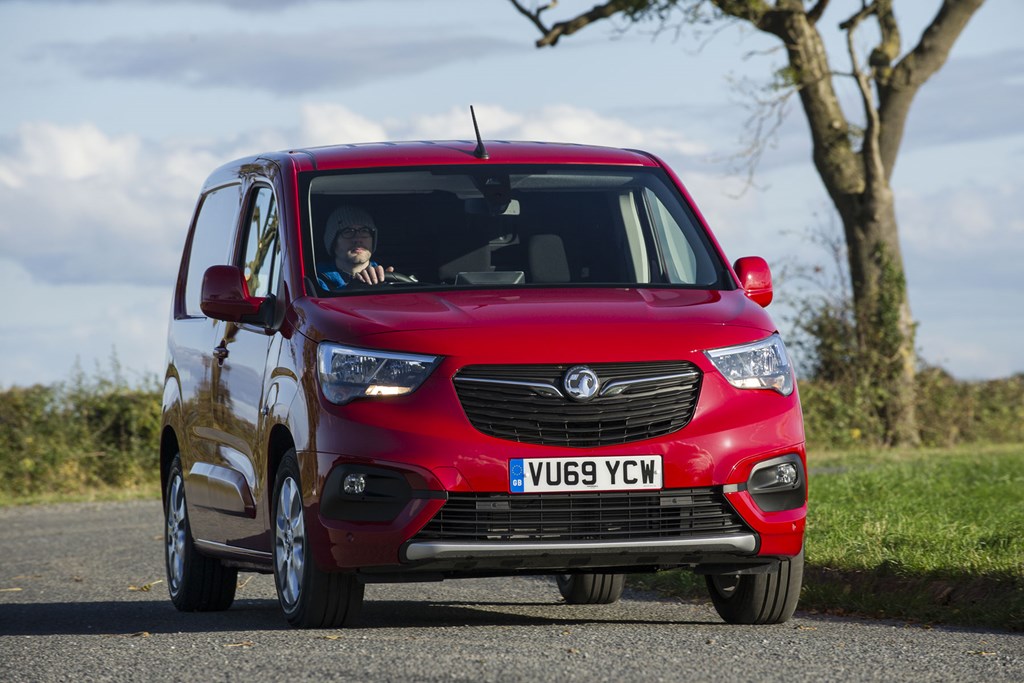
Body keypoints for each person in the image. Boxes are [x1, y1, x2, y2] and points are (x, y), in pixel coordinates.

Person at [317, 206, 393, 289]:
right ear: (333, 243)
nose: (358, 239)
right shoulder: (315, 283)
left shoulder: (388, 280)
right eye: (348, 231)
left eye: (364, 231)